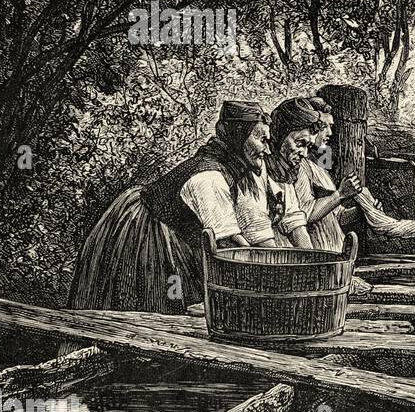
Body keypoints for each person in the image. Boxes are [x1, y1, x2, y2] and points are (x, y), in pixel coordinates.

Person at [67, 100, 307, 319]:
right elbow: (230, 245)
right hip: (144, 232)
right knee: (146, 301)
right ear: (238, 136)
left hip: (174, 234)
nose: (267, 150)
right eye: (261, 140)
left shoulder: (236, 167)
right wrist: (274, 276)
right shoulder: (209, 177)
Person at [275, 96, 362, 252]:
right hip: (317, 251)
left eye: (331, 126)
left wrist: (362, 211)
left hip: (333, 250)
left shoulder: (321, 165)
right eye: (324, 126)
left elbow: (337, 216)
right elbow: (304, 214)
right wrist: (340, 195)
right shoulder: (298, 166)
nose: (329, 133)